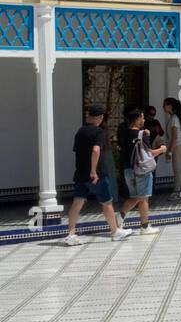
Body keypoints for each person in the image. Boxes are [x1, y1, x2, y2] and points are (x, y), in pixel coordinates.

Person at [63, 105, 132, 246]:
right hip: (96, 174)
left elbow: (77, 152)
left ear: (89, 116)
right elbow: (95, 150)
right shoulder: (99, 132)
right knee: (106, 202)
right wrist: (93, 171)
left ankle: (70, 234)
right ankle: (115, 231)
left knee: (77, 202)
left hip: (80, 173)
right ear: (100, 117)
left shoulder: (80, 131)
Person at [118, 107, 167, 234]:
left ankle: (120, 217)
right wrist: (162, 149)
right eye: (143, 117)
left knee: (135, 197)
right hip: (141, 170)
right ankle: (145, 227)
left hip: (128, 170)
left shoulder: (123, 133)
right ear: (138, 118)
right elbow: (150, 153)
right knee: (144, 198)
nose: (144, 119)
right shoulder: (143, 134)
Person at [163, 96, 181, 195]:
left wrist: (170, 151)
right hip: (177, 145)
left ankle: (176, 191)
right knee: (179, 169)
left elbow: (174, 137)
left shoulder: (174, 119)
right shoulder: (173, 118)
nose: (163, 107)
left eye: (165, 105)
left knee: (177, 169)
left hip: (178, 146)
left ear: (170, 106)